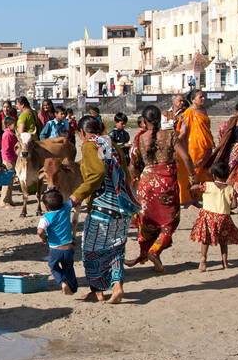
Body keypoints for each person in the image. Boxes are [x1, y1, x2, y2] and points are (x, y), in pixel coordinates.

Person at [71, 115, 136, 303]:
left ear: (82, 133)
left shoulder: (90, 145)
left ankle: (97, 289)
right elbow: (125, 173)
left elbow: (97, 173)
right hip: (121, 205)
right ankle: (117, 286)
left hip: (102, 206)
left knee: (91, 249)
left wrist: (78, 195)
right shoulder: (112, 145)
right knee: (116, 248)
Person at [128, 105, 189, 273]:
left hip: (146, 182)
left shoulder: (139, 138)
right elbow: (185, 157)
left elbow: (133, 164)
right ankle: (154, 251)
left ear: (144, 121)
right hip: (166, 182)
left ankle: (144, 253)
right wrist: (193, 177)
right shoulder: (170, 135)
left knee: (147, 221)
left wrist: (134, 180)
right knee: (170, 220)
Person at [190, 160, 238, 271]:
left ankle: (203, 259)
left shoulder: (207, 185)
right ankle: (225, 262)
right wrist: (227, 206)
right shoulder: (230, 189)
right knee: (223, 241)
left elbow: (194, 188)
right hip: (224, 217)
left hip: (208, 216)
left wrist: (193, 186)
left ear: (213, 175)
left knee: (206, 239)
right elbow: (234, 205)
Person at [175, 90, 214, 207]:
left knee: (205, 173)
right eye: (200, 97)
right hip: (194, 149)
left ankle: (200, 197)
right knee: (193, 174)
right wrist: (175, 144)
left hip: (205, 147)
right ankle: (190, 199)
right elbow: (182, 132)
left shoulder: (203, 111)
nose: (203, 99)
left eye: (203, 97)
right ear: (192, 100)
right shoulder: (188, 113)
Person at [36, 187, 76, 294]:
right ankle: (73, 287)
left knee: (53, 266)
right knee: (68, 267)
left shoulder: (46, 218)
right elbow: (74, 199)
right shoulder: (66, 208)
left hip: (55, 249)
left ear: (45, 206)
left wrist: (44, 238)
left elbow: (40, 231)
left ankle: (62, 283)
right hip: (68, 248)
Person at [0, 118, 20, 206]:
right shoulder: (7, 134)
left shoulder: (10, 134)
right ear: (9, 125)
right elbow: (6, 149)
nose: (15, 126)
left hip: (11, 159)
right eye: (14, 124)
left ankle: (9, 200)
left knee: (10, 181)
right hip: (8, 160)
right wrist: (10, 160)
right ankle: (4, 201)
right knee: (7, 181)